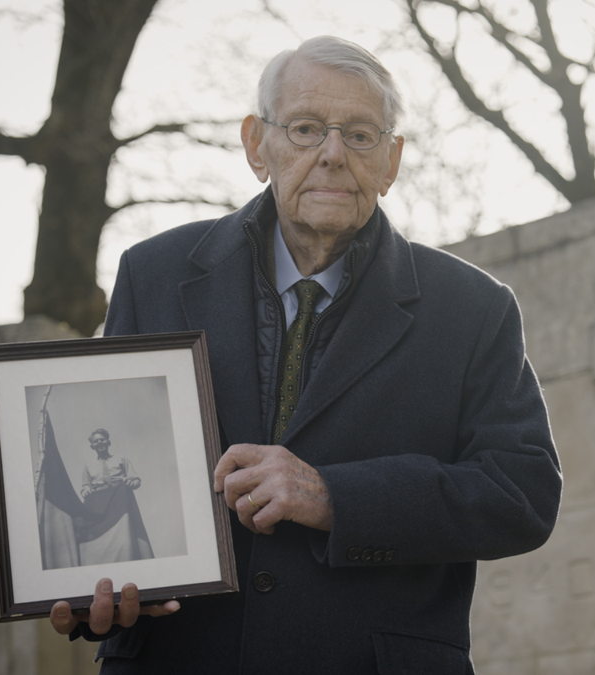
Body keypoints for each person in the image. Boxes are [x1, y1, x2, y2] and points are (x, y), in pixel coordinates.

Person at [50, 35, 561, 673]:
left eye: (361, 135)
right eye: (306, 128)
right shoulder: (151, 275)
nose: (333, 155)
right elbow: (115, 458)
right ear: (255, 145)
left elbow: (523, 495)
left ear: (392, 160)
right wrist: (91, 581)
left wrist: (334, 496)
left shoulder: (473, 308)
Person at [76, 428, 154, 565]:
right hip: (98, 504)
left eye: (102, 439)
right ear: (92, 446)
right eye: (96, 441)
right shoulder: (88, 466)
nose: (99, 442)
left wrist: (131, 482)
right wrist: (86, 490)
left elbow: (136, 480)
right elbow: (85, 487)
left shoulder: (122, 460)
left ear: (108, 442)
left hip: (120, 502)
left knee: (125, 536)